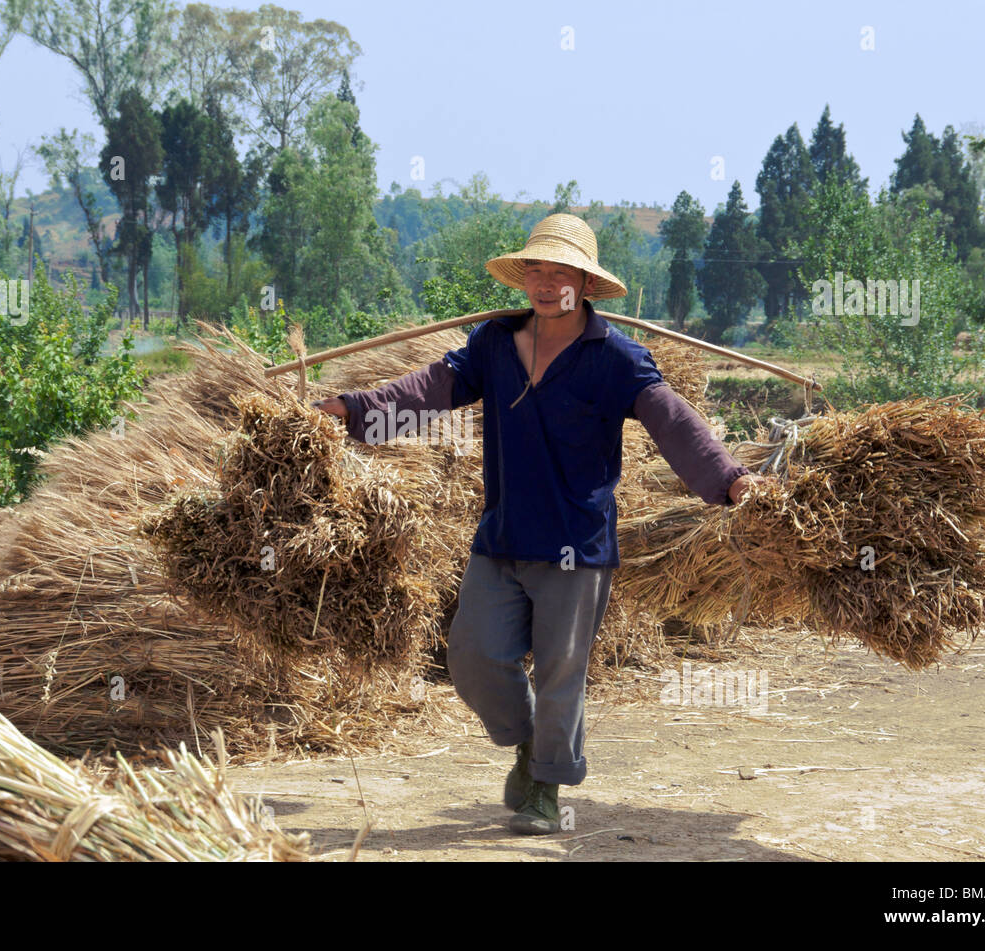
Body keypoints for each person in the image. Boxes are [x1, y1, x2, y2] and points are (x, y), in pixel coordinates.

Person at [315, 213, 769, 835]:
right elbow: (432, 388)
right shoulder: (493, 345)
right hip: (502, 534)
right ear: (522, 277)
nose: (548, 281)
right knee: (472, 658)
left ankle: (548, 788)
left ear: (583, 282)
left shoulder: (614, 357)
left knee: (562, 671)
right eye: (538, 269)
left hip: (576, 543)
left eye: (563, 271)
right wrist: (355, 408)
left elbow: (674, 422)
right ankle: (530, 744)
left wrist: (730, 479)